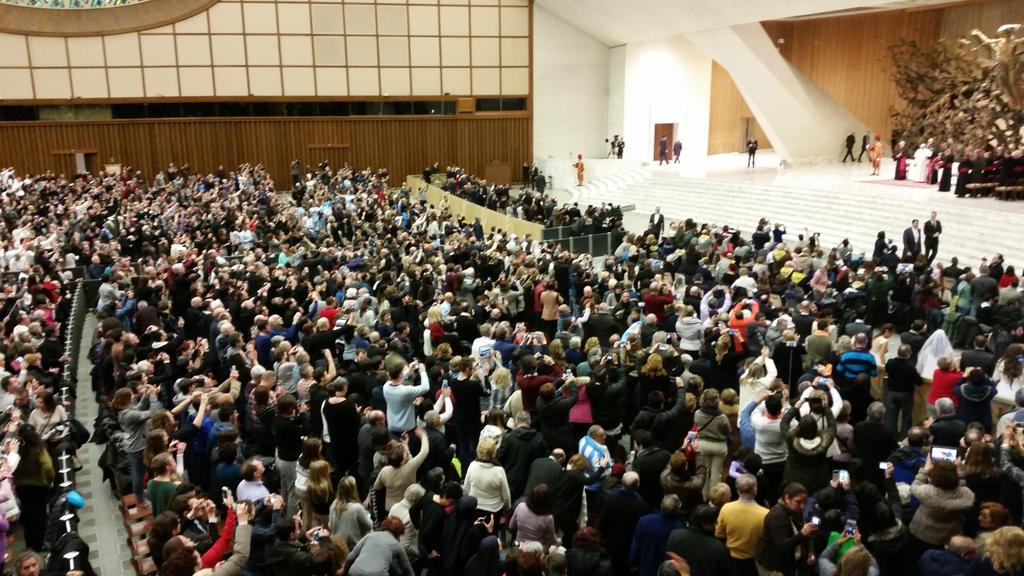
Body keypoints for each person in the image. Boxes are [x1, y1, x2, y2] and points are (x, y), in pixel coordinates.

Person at [909, 456, 975, 558]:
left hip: (923, 531)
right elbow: (962, 489)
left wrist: (924, 470)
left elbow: (914, 486)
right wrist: (960, 474)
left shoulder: (926, 492)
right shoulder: (966, 496)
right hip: (949, 534)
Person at [755, 482, 816, 576]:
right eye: (798, 501)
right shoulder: (776, 516)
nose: (802, 506)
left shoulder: (795, 509)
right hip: (774, 567)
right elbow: (781, 546)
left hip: (790, 563)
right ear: (787, 498)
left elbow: (807, 534)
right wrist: (802, 534)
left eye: (804, 502)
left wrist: (810, 552)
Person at [715, 474, 767, 576]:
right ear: (755, 490)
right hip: (752, 563)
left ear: (737, 490)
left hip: (729, 560)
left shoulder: (726, 508)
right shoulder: (765, 514)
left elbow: (719, 534)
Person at [600, 471, 648, 576]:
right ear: (637, 485)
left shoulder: (611, 498)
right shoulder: (641, 505)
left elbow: (603, 520)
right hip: (630, 546)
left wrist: (603, 537)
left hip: (613, 543)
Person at [664, 505, 734, 576]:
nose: (716, 524)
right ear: (704, 524)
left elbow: (668, 565)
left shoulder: (674, 535)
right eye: (714, 521)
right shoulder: (718, 548)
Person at [630, 495, 684, 576]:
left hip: (646, 569)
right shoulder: (679, 527)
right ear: (677, 509)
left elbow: (636, 545)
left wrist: (632, 562)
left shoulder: (644, 521)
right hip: (666, 572)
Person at [344, 516, 415, 576]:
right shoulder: (397, 545)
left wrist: (344, 572)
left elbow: (350, 558)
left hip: (355, 572)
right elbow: (407, 569)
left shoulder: (369, 536)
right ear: (399, 533)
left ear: (384, 526)